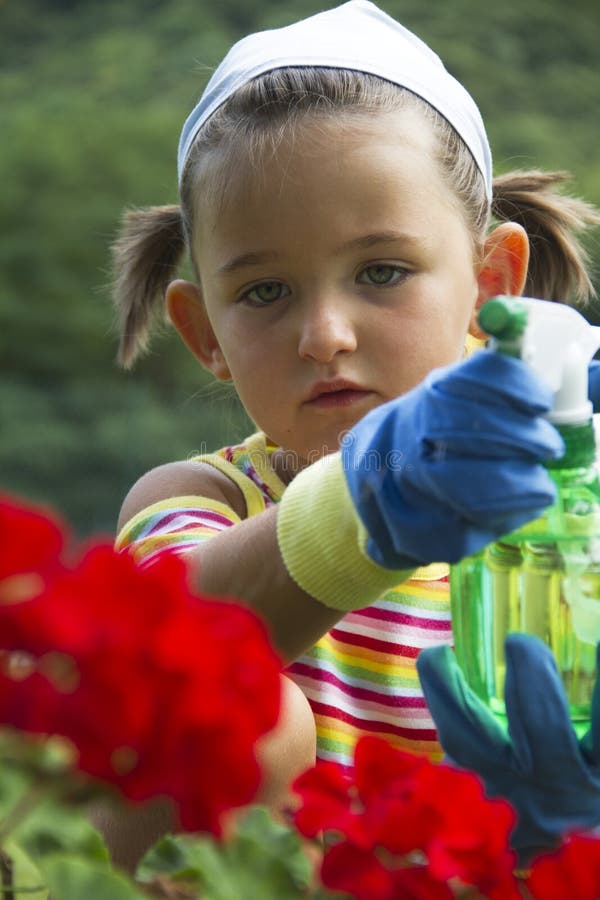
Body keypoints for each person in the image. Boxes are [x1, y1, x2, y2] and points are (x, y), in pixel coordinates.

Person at [110, 0, 600, 863]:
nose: (325, 334)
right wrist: (365, 507)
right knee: (237, 713)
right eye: (265, 291)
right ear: (205, 335)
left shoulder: (564, 524)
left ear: (491, 285)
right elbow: (162, 646)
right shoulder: (203, 499)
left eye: (382, 272)